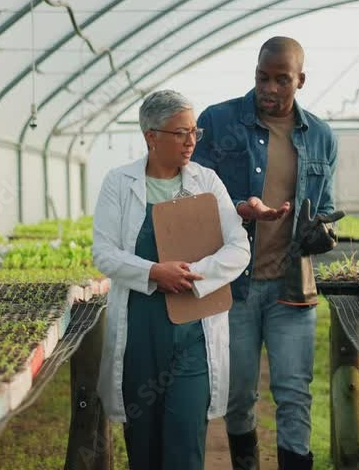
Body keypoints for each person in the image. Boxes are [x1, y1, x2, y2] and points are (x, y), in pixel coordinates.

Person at [192, 37, 338, 470]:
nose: (269, 89)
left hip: (291, 287)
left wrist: (321, 231)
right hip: (235, 285)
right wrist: (239, 208)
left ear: (301, 80)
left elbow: (325, 208)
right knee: (238, 395)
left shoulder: (321, 137)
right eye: (262, 77)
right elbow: (191, 193)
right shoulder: (218, 123)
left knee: (294, 392)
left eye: (281, 80)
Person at [93, 89, 251, 470]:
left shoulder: (207, 182)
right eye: (181, 133)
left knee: (185, 441)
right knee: (143, 441)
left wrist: (196, 276)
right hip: (140, 330)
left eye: (194, 131)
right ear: (151, 136)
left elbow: (239, 247)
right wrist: (152, 272)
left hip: (193, 331)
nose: (191, 141)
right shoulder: (119, 183)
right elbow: (104, 253)